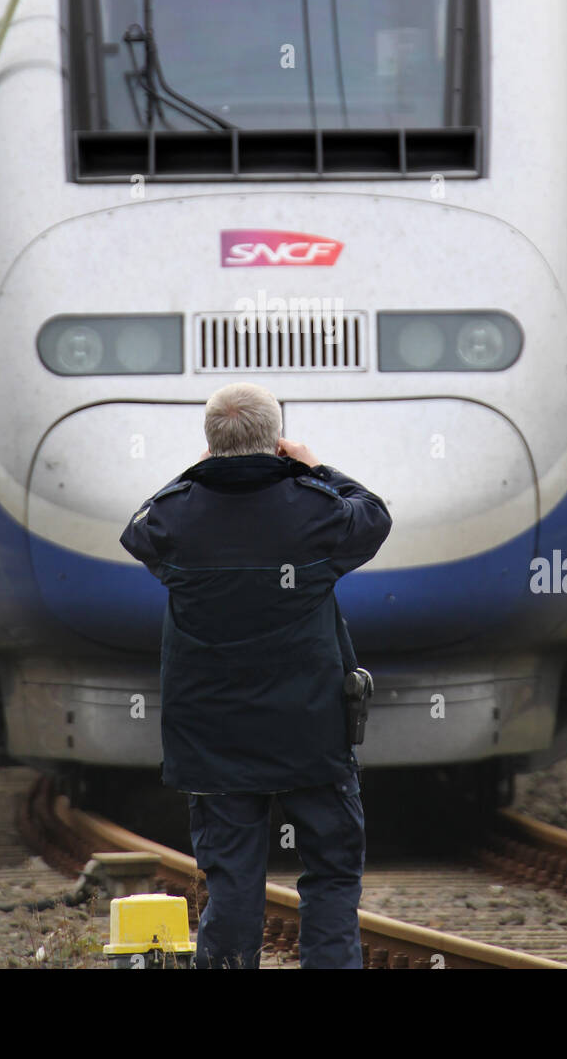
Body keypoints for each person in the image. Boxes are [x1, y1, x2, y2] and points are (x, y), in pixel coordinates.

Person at [119, 381, 392, 969]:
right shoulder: (316, 510)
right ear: (277, 442)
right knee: (332, 871)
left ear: (209, 444)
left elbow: (136, 528)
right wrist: (318, 469)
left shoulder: (176, 517)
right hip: (312, 730)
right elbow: (374, 516)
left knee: (233, 879)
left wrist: (195, 473)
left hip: (214, 738)